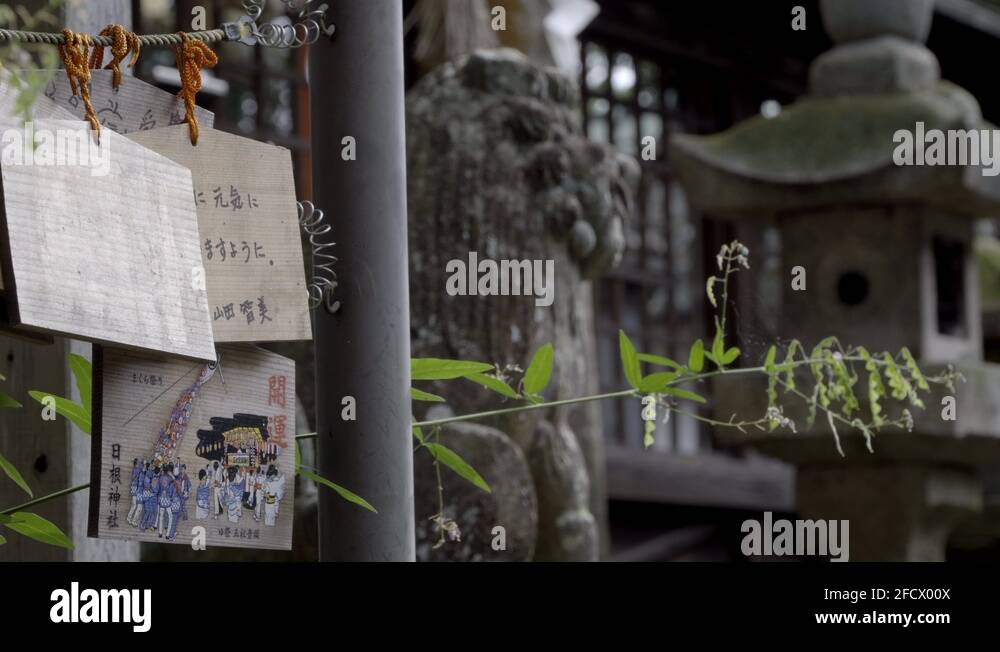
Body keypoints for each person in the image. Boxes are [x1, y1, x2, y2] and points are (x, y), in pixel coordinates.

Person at [157, 464, 176, 538]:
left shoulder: (160, 478)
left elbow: (158, 488)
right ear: (168, 470)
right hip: (167, 499)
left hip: (161, 499)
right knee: (170, 516)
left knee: (161, 516)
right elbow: (175, 480)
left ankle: (160, 533)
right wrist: (171, 475)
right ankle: (167, 534)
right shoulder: (169, 478)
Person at [140, 466, 160, 531]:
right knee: (148, 511)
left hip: (153, 497)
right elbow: (146, 485)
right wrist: (151, 491)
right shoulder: (150, 475)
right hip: (148, 496)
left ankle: (147, 525)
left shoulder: (157, 477)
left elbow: (156, 489)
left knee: (152, 512)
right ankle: (143, 525)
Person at [127, 459, 144, 527]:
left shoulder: (140, 468)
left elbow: (143, 466)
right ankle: (129, 518)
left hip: (139, 490)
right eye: (138, 463)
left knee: (138, 507)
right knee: (134, 505)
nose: (139, 464)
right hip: (135, 488)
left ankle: (133, 520)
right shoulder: (136, 470)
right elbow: (133, 478)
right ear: (136, 464)